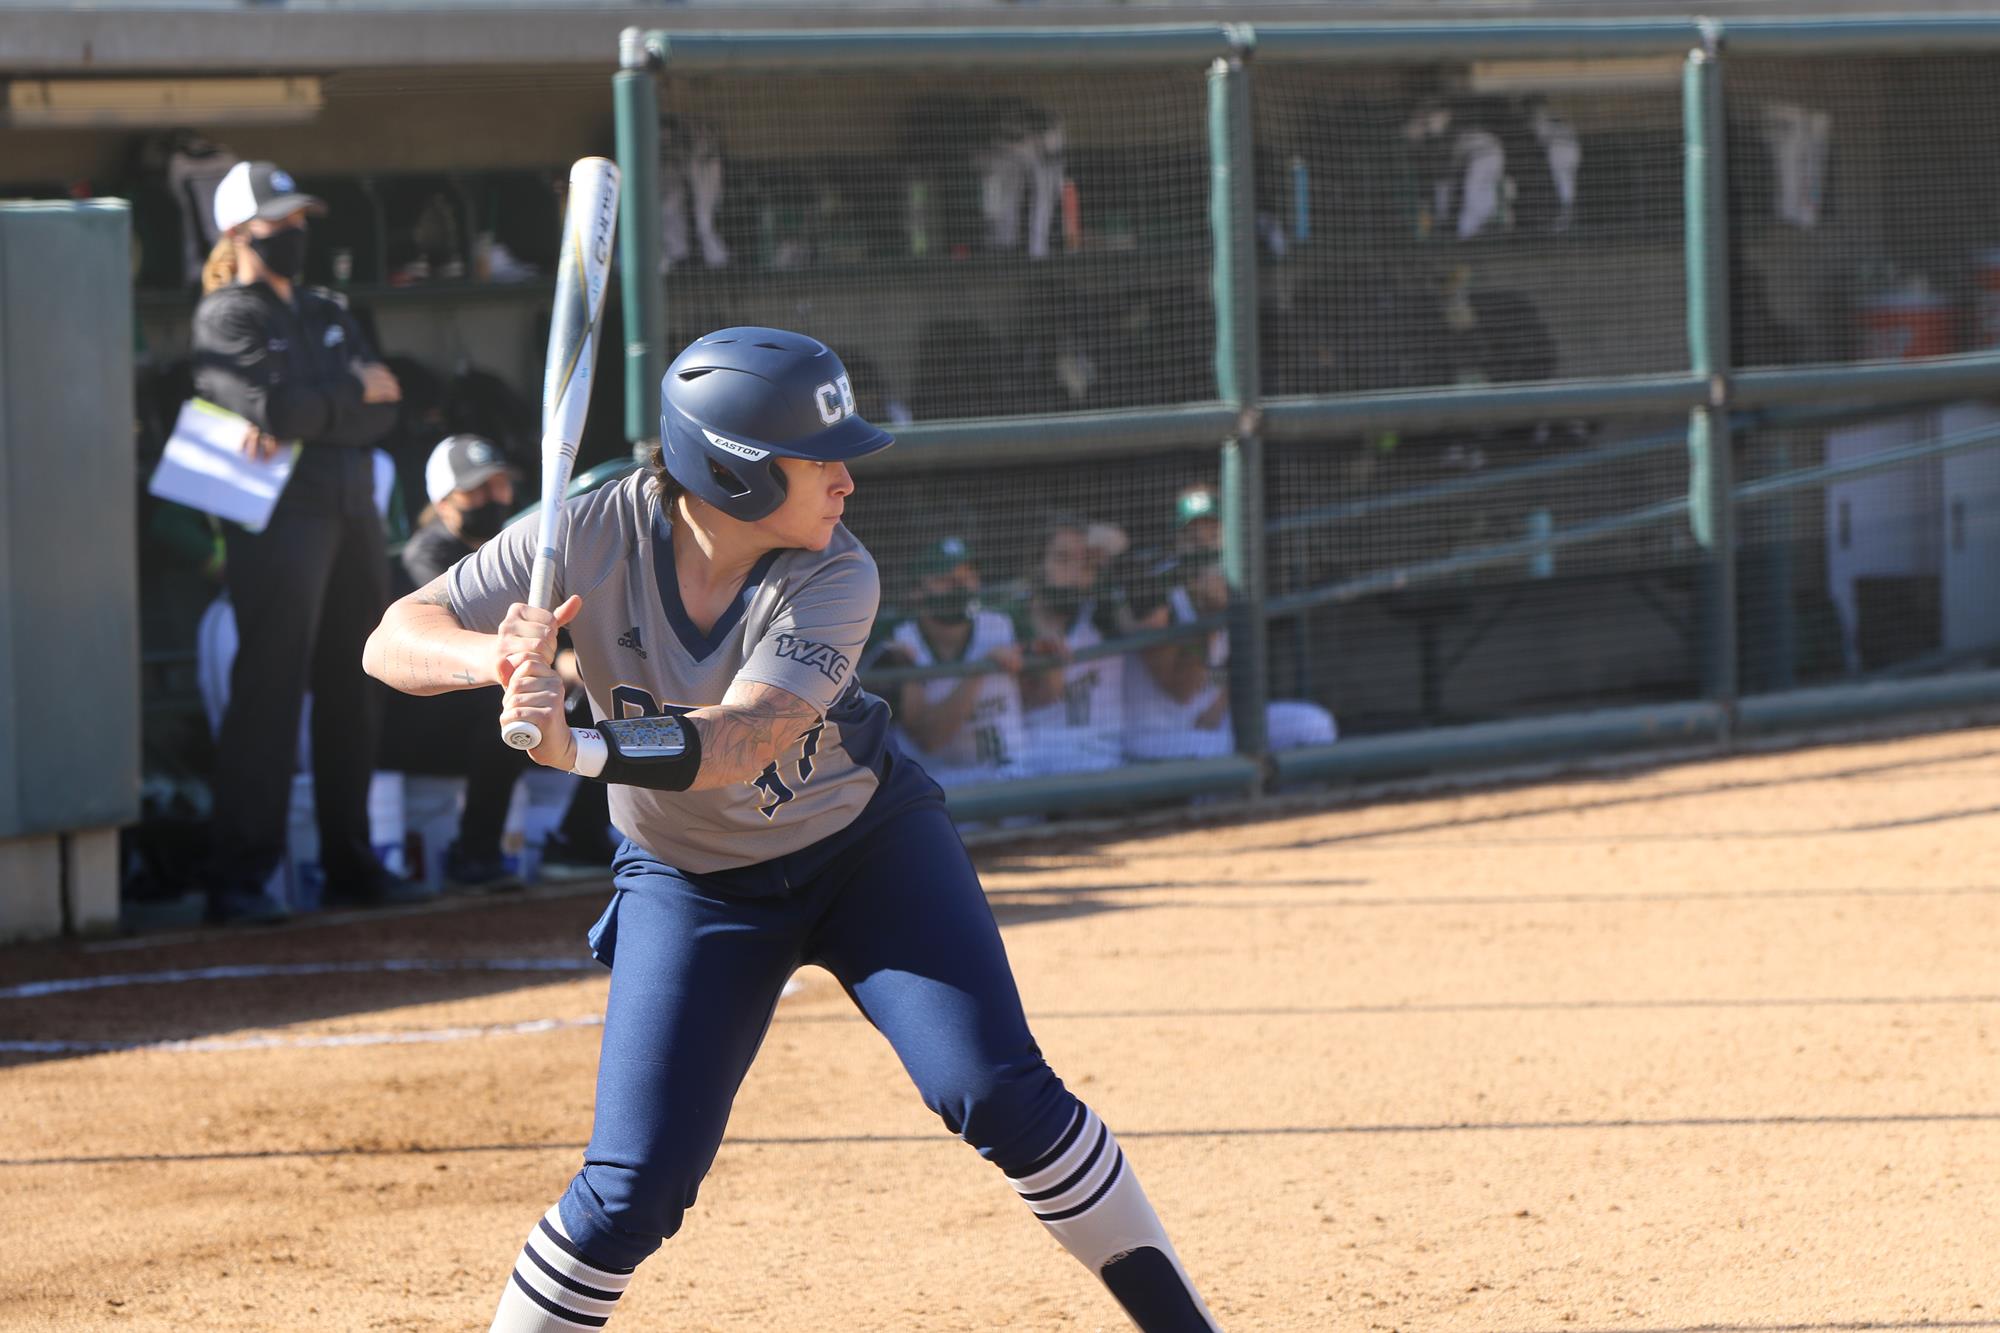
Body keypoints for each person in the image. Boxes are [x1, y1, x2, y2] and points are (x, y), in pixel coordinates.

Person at [362, 327, 1223, 1332]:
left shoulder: (835, 574)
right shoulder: (590, 531)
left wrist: (580, 748)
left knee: (997, 1093)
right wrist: (492, 658)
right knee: (629, 1189)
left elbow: (742, 740)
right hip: (690, 880)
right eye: (820, 458)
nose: (847, 481)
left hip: (864, 851)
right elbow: (392, 636)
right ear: (731, 471)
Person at [191, 159, 431, 923]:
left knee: (354, 686)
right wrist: (340, 400)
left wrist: (317, 410)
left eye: (300, 220)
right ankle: (237, 875)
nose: (296, 233)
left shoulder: (329, 305)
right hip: (279, 518)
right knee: (269, 688)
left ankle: (351, 863)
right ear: (238, 230)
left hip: (352, 506)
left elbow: (383, 408)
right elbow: (271, 404)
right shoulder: (226, 315)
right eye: (279, 221)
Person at [1122, 486, 1337, 761]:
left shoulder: (1235, 583)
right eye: (1192, 537)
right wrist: (1210, 618)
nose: (1204, 545)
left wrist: (1220, 705)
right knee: (1223, 753)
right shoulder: (1155, 592)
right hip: (1157, 733)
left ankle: (1299, 803)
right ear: (1176, 542)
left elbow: (1239, 663)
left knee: (1313, 724)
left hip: (1215, 720)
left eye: (1213, 535)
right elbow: (1181, 690)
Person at [870, 534, 1028, 789]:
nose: (961, 586)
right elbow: (930, 739)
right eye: (945, 579)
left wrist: (1045, 656)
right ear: (917, 591)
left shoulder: (1004, 623)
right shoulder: (900, 643)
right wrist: (979, 671)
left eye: (967, 576)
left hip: (1011, 773)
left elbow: (1045, 695)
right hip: (934, 784)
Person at [1016, 515, 1129, 777]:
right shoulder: (1008, 623)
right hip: (1034, 776)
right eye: (1062, 559)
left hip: (1105, 768)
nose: (1074, 573)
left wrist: (1108, 549)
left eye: (1084, 563)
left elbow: (1147, 613)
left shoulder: (1104, 616)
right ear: (1037, 565)